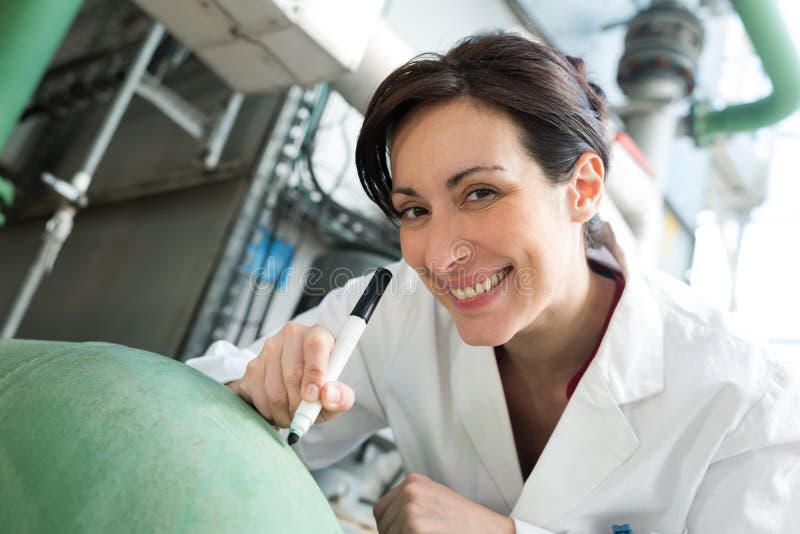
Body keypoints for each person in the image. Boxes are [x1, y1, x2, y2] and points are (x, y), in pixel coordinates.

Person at [186, 32, 800, 533]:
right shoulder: (395, 307)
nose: (442, 255)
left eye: (481, 193)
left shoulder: (748, 396)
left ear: (583, 189)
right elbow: (186, 411)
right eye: (414, 210)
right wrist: (259, 390)